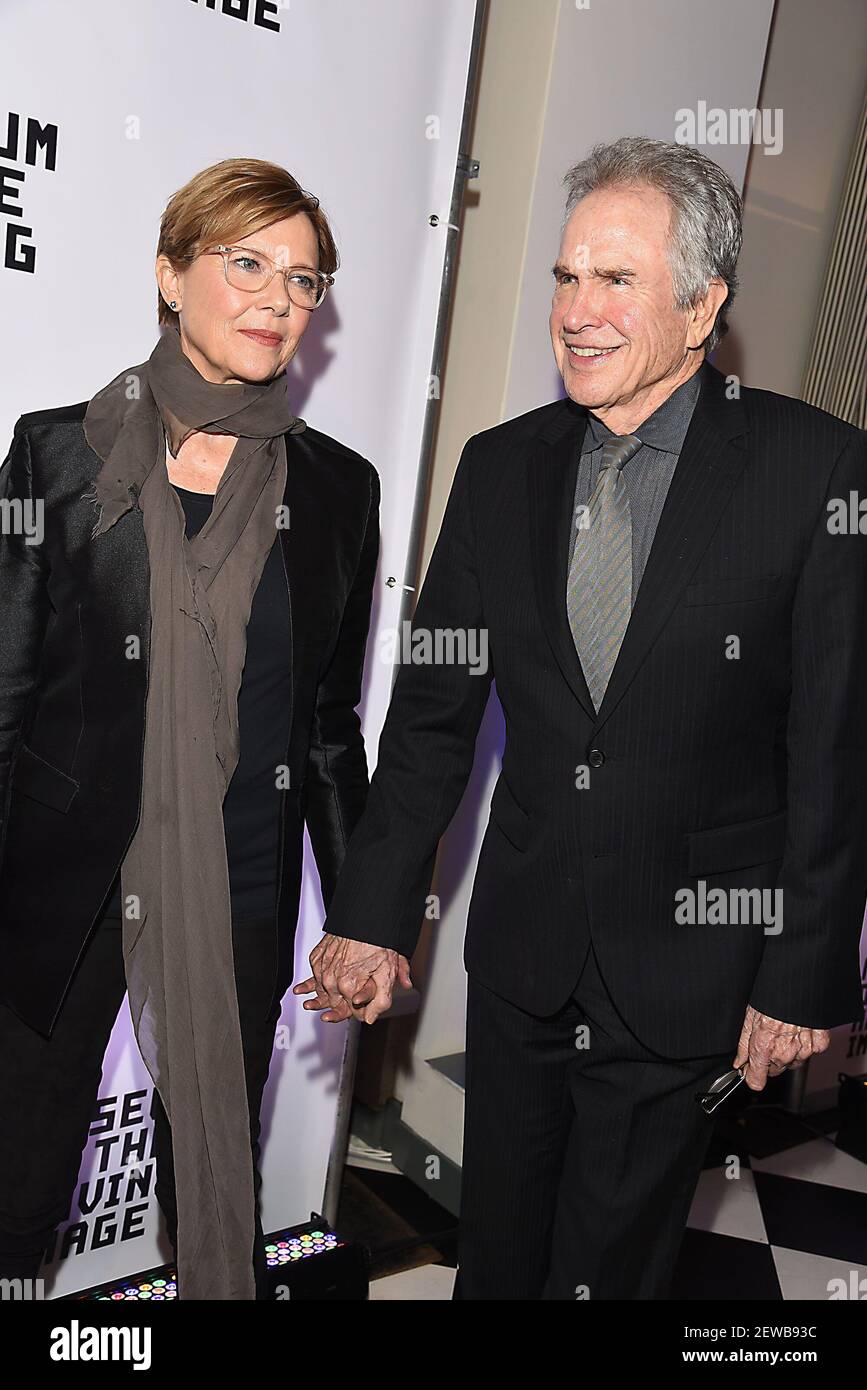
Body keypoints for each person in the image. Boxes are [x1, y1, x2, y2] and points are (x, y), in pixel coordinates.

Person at [295, 135, 867, 1299]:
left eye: (617, 280)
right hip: (527, 950)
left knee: (612, 1260)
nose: (576, 310)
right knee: (497, 1248)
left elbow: (837, 748)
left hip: (693, 959)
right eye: (566, 277)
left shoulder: (816, 472)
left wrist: (803, 974)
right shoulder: (501, 468)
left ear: (703, 308)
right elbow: (432, 718)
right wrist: (370, 911)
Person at [0, 156, 380, 1299]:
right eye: (247, 262)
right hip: (65, 884)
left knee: (205, 1182)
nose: (277, 297)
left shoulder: (338, 488)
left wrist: (364, 911)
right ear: (171, 277)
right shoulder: (58, 453)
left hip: (238, 889)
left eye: (304, 279)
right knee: (15, 1195)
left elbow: (326, 721)